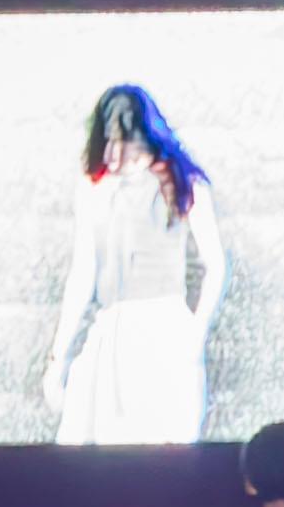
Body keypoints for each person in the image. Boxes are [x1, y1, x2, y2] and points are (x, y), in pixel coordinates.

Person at [46, 78, 225, 444]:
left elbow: (216, 266)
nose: (116, 155)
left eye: (125, 142)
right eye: (109, 141)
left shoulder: (183, 183)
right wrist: (58, 356)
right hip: (111, 332)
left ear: (146, 138)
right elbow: (83, 272)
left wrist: (195, 334)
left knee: (162, 449)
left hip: (164, 332)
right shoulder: (94, 188)